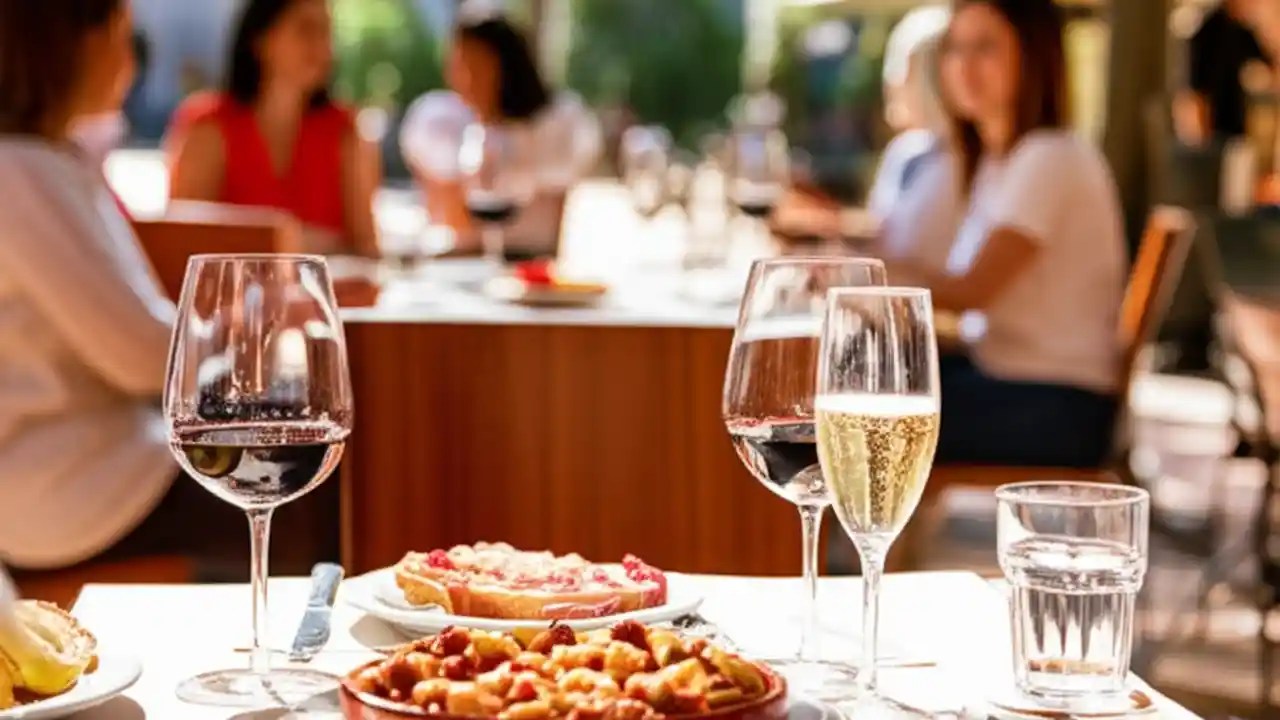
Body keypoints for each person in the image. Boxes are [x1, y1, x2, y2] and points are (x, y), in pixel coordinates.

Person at [0, 0, 217, 573]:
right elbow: (147, 360)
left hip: (79, 475)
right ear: (72, 45)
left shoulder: (39, 163)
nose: (131, 60)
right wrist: (246, 329)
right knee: (319, 493)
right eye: (123, 37)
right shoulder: (20, 172)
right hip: (72, 492)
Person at [894, 0, 1127, 468]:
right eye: (954, 48)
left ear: (1035, 56)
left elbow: (972, 292)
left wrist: (860, 280)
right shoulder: (1002, 160)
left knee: (849, 405)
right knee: (864, 381)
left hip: (1056, 406)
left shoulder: (1049, 157)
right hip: (1012, 382)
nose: (964, 66)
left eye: (986, 48)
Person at [165, 0, 379, 256]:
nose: (323, 46)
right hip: (236, 294)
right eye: (306, 29)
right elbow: (182, 240)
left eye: (327, 32)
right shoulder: (209, 125)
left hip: (326, 294)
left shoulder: (346, 130)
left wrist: (256, 241)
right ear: (260, 38)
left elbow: (367, 248)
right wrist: (296, 242)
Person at [399, 6, 600, 259]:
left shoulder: (554, 125)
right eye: (457, 64)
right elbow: (451, 220)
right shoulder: (442, 124)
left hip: (528, 267)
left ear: (507, 66)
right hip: (463, 268)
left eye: (475, 64)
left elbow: (548, 231)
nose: (463, 77)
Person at [1176, 0, 1268, 145]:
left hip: (1240, 129)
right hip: (1216, 130)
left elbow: (1263, 67)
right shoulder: (1207, 31)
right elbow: (1195, 90)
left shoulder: (1244, 31)